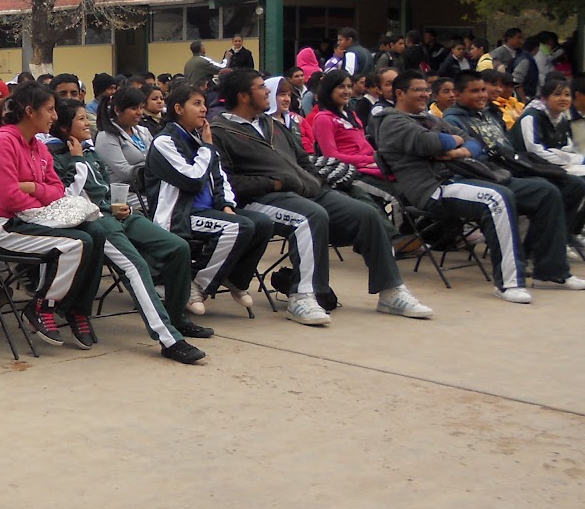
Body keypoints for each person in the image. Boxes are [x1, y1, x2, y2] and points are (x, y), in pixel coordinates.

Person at [210, 68, 432, 324]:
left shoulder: (273, 124)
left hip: (308, 191)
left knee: (366, 214)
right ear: (244, 96)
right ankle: (303, 296)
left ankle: (391, 291)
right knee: (310, 217)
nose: (268, 91)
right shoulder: (220, 132)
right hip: (264, 199)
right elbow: (228, 181)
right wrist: (276, 182)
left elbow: (303, 159)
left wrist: (314, 180)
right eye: (262, 87)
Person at [375, 74, 582, 303]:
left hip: (468, 175)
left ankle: (551, 272)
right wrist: (453, 142)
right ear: (400, 93)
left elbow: (474, 142)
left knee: (545, 191)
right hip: (434, 188)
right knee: (496, 199)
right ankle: (509, 283)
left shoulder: (429, 118)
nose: (425, 94)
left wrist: (455, 150)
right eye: (417, 90)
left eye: (426, 89)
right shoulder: (392, 121)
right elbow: (432, 144)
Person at [46, 101, 209, 364]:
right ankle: (169, 339)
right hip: (95, 221)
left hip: (115, 212)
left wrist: (115, 205)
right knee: (136, 266)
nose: (88, 123)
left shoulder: (90, 151)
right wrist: (77, 162)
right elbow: (67, 199)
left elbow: (104, 190)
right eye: (80, 120)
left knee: (178, 247)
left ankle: (178, 317)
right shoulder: (56, 156)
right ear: (65, 127)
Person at [0, 81, 102, 347]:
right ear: (30, 112)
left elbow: (58, 189)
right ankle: (42, 305)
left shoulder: (38, 146)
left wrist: (33, 187)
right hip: (5, 225)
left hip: (35, 218)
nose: (55, 117)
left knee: (98, 233)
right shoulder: (4, 142)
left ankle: (77, 308)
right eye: (50, 110)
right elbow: (8, 197)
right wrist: (40, 202)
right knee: (78, 244)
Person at [143, 83, 273, 316]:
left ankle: (233, 277)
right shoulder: (165, 142)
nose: (204, 109)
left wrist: (226, 204)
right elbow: (191, 179)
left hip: (209, 211)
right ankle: (195, 286)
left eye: (204, 103)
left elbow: (219, 176)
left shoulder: (199, 138)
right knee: (238, 228)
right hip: (181, 215)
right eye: (197, 104)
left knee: (262, 224)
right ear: (179, 109)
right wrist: (208, 149)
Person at [442, 72, 585, 261]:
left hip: (513, 167)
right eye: (475, 91)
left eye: (483, 90)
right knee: (548, 190)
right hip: (486, 176)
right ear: (458, 95)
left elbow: (507, 149)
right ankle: (536, 254)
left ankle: (552, 243)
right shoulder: (452, 120)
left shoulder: (488, 115)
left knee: (574, 185)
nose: (482, 95)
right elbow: (472, 158)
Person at [308, 72, 385, 177]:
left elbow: (363, 143)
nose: (347, 91)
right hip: (353, 172)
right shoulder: (323, 119)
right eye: (341, 87)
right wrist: (371, 159)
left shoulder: (351, 115)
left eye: (349, 87)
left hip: (371, 164)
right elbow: (331, 156)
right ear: (329, 90)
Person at [92, 87, 153, 197]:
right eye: (134, 108)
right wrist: (155, 170)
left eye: (141, 108)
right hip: (124, 193)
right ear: (117, 110)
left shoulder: (143, 131)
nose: (139, 113)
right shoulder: (107, 136)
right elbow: (124, 172)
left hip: (147, 187)